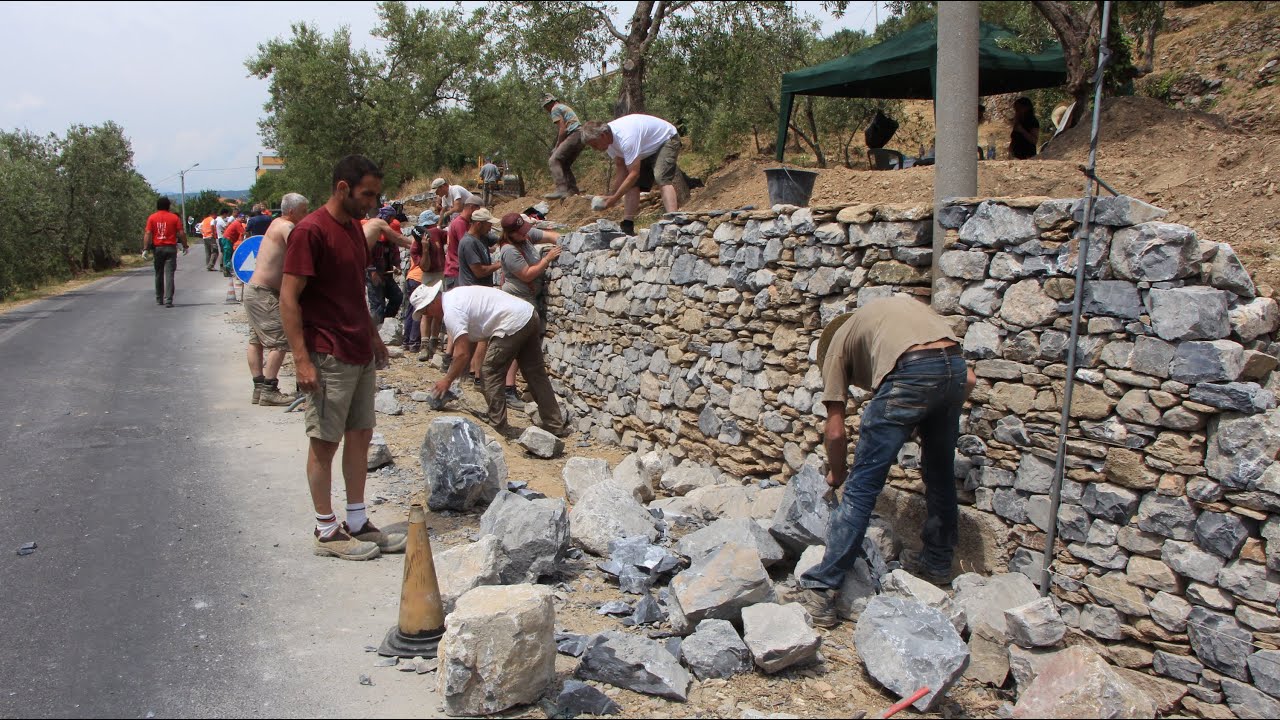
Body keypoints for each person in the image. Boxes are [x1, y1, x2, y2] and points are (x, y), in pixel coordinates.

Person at [796, 294, 976, 628]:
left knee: (862, 485)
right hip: (954, 370)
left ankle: (822, 589)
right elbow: (968, 380)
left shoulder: (837, 345)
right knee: (939, 472)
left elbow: (835, 433)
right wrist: (931, 414)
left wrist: (838, 474)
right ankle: (937, 564)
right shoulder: (898, 316)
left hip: (911, 370)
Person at [280, 154, 405, 561]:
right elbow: (288, 298)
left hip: (357, 349)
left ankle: (356, 520)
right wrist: (301, 359)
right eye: (366, 193)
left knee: (360, 435)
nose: (372, 202)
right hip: (327, 353)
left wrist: (374, 337)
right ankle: (326, 529)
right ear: (342, 188)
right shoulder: (310, 232)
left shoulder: (354, 230)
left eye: (375, 194)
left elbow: (353, 291)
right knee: (324, 442)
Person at [411, 282, 569, 439]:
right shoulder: (456, 296)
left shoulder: (452, 311)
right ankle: (554, 424)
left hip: (513, 322)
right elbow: (469, 342)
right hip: (528, 314)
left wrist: (447, 380)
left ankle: (498, 426)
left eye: (426, 310)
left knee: (489, 372)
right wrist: (460, 375)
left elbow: (462, 354)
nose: (428, 315)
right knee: (535, 373)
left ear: (432, 302)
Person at [244, 192, 310, 407]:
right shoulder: (287, 227)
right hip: (264, 293)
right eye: (303, 211)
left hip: (254, 290)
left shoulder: (275, 224)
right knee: (281, 340)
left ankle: (259, 387)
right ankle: (269, 390)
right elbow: (302, 251)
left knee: (256, 340)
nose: (306, 215)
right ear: (291, 211)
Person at [497, 212, 562, 404]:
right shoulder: (509, 251)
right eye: (521, 232)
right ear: (511, 233)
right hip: (517, 300)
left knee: (523, 343)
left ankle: (509, 387)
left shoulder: (524, 236)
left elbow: (550, 235)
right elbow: (526, 274)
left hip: (529, 299)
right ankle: (508, 388)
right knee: (516, 344)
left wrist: (564, 241)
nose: (526, 234)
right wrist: (547, 259)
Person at [582, 113, 682, 236]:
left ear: (602, 135)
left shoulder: (626, 138)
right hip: (645, 148)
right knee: (632, 185)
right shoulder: (608, 142)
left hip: (666, 139)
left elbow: (634, 174)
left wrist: (614, 199)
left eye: (594, 144)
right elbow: (621, 167)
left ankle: (673, 222)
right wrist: (611, 195)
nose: (595, 149)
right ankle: (628, 225)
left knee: (661, 177)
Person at [407, 211, 446, 360]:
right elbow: (425, 266)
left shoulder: (437, 233)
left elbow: (450, 239)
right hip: (429, 275)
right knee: (426, 311)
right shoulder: (415, 248)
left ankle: (433, 344)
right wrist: (425, 249)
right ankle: (424, 346)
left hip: (441, 273)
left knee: (439, 310)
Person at [142, 196, 188, 308]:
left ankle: (159, 298)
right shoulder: (174, 218)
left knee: (158, 274)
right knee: (169, 274)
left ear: (157, 206)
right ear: (168, 206)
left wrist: (145, 249)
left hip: (158, 249)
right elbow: (181, 233)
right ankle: (168, 299)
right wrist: (185, 246)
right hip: (171, 249)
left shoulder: (152, 218)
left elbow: (148, 233)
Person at [542, 93, 583, 200]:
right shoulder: (563, 107)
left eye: (546, 107)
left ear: (548, 104)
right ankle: (573, 191)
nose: (547, 110)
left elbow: (562, 129)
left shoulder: (555, 109)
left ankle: (561, 190)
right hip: (581, 135)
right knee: (563, 163)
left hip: (574, 134)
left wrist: (557, 146)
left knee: (553, 160)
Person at [224, 212, 247, 302]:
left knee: (228, 255)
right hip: (228, 240)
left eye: (244, 218)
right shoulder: (237, 224)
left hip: (228, 239)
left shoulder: (237, 223)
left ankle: (227, 268)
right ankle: (227, 270)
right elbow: (243, 233)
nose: (243, 219)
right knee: (227, 255)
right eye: (242, 218)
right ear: (238, 218)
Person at [1009, 96, 1040, 160]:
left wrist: (1022, 131)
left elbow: (1034, 140)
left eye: (1019, 108)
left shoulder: (1033, 122)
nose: (1017, 111)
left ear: (1026, 108)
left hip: (1028, 156)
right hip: (1016, 156)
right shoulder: (1018, 121)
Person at [215, 208, 233, 277]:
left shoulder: (217, 219)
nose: (227, 216)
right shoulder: (221, 221)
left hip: (219, 237)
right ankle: (224, 267)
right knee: (225, 253)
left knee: (222, 252)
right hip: (223, 238)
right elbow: (227, 228)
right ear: (224, 213)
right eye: (227, 214)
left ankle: (222, 266)